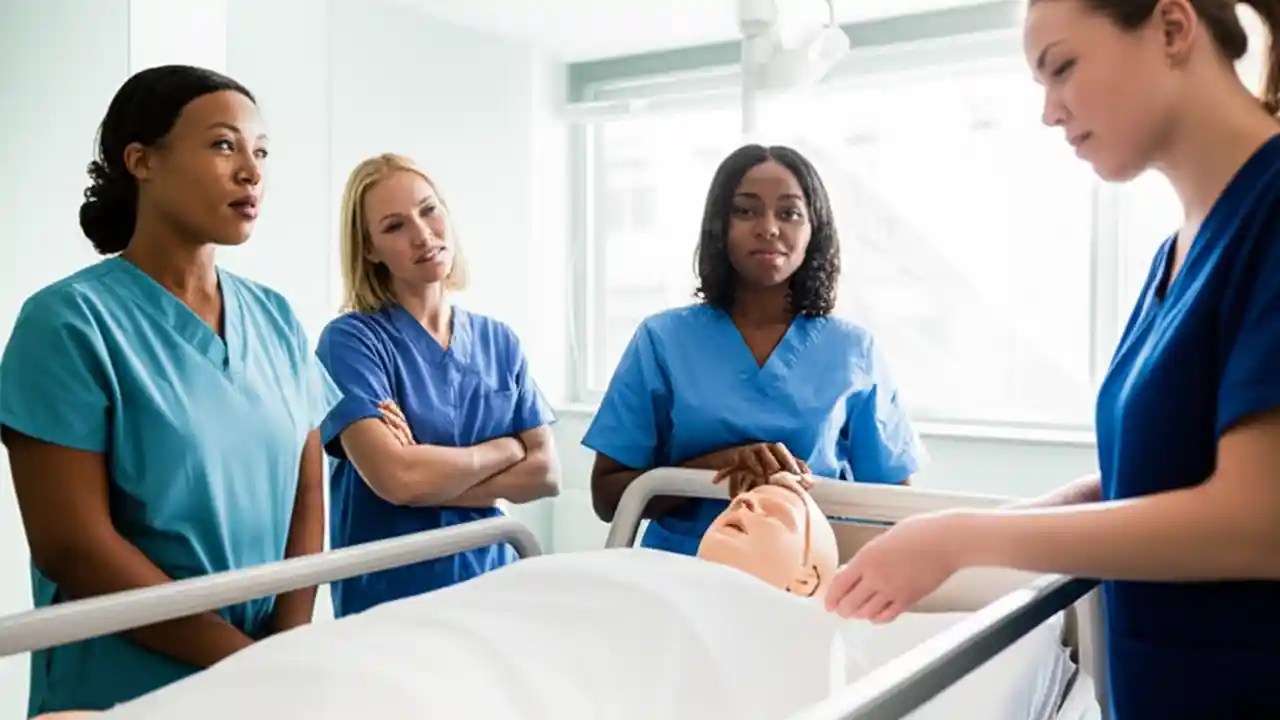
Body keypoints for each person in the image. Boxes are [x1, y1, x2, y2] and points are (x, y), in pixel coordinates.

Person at [824, 1, 1280, 717]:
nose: (1049, 111)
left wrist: (966, 538)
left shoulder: (1270, 213)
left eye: (1062, 67)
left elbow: (1260, 521)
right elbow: (1152, 469)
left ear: (1171, 28)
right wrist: (953, 538)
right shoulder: (1177, 254)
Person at [0, 65, 337, 715]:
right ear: (141, 161)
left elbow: (307, 492)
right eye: (223, 145)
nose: (251, 171)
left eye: (260, 150)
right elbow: (74, 546)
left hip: (264, 679)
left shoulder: (277, 319)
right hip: (124, 686)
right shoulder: (68, 323)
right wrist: (244, 662)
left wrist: (285, 651)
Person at [41, 473, 846, 720]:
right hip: (473, 626)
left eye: (773, 513)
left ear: (806, 580)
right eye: (743, 501)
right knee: (365, 663)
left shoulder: (782, 627)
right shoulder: (621, 565)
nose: (743, 504)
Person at [583, 143, 926, 557]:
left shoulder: (853, 350)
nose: (768, 227)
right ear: (718, 227)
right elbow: (607, 498)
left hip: (808, 578)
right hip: (682, 575)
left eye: (789, 213)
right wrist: (717, 467)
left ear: (813, 229)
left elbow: (894, 505)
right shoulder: (662, 340)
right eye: (745, 211)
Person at [315, 153, 560, 617]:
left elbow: (546, 475)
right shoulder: (350, 342)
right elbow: (398, 478)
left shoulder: (498, 340)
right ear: (369, 250)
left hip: (492, 578)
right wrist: (505, 451)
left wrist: (428, 476)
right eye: (394, 226)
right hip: (389, 595)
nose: (423, 234)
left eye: (429, 210)